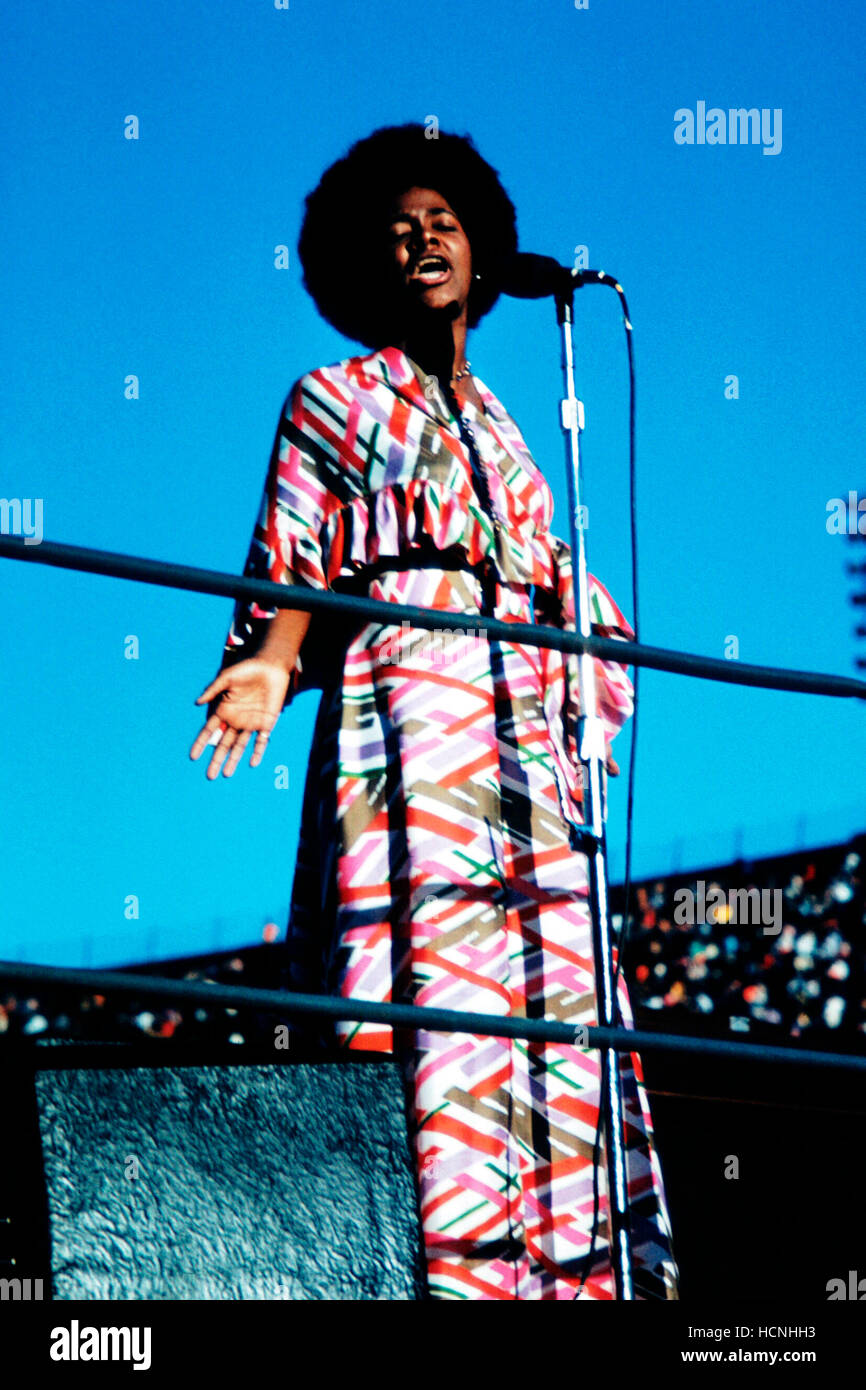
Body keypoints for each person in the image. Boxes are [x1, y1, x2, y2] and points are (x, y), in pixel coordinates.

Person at [190, 124, 678, 1300]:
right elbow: (297, 557)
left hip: (526, 726)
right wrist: (271, 661)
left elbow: (557, 567)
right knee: (430, 969)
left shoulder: (517, 425)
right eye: (397, 230)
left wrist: (582, 669)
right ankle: (444, 1260)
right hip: (413, 701)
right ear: (366, 264)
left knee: (552, 983)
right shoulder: (331, 396)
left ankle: (567, 1272)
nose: (423, 241)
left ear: (481, 255)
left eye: (444, 224)